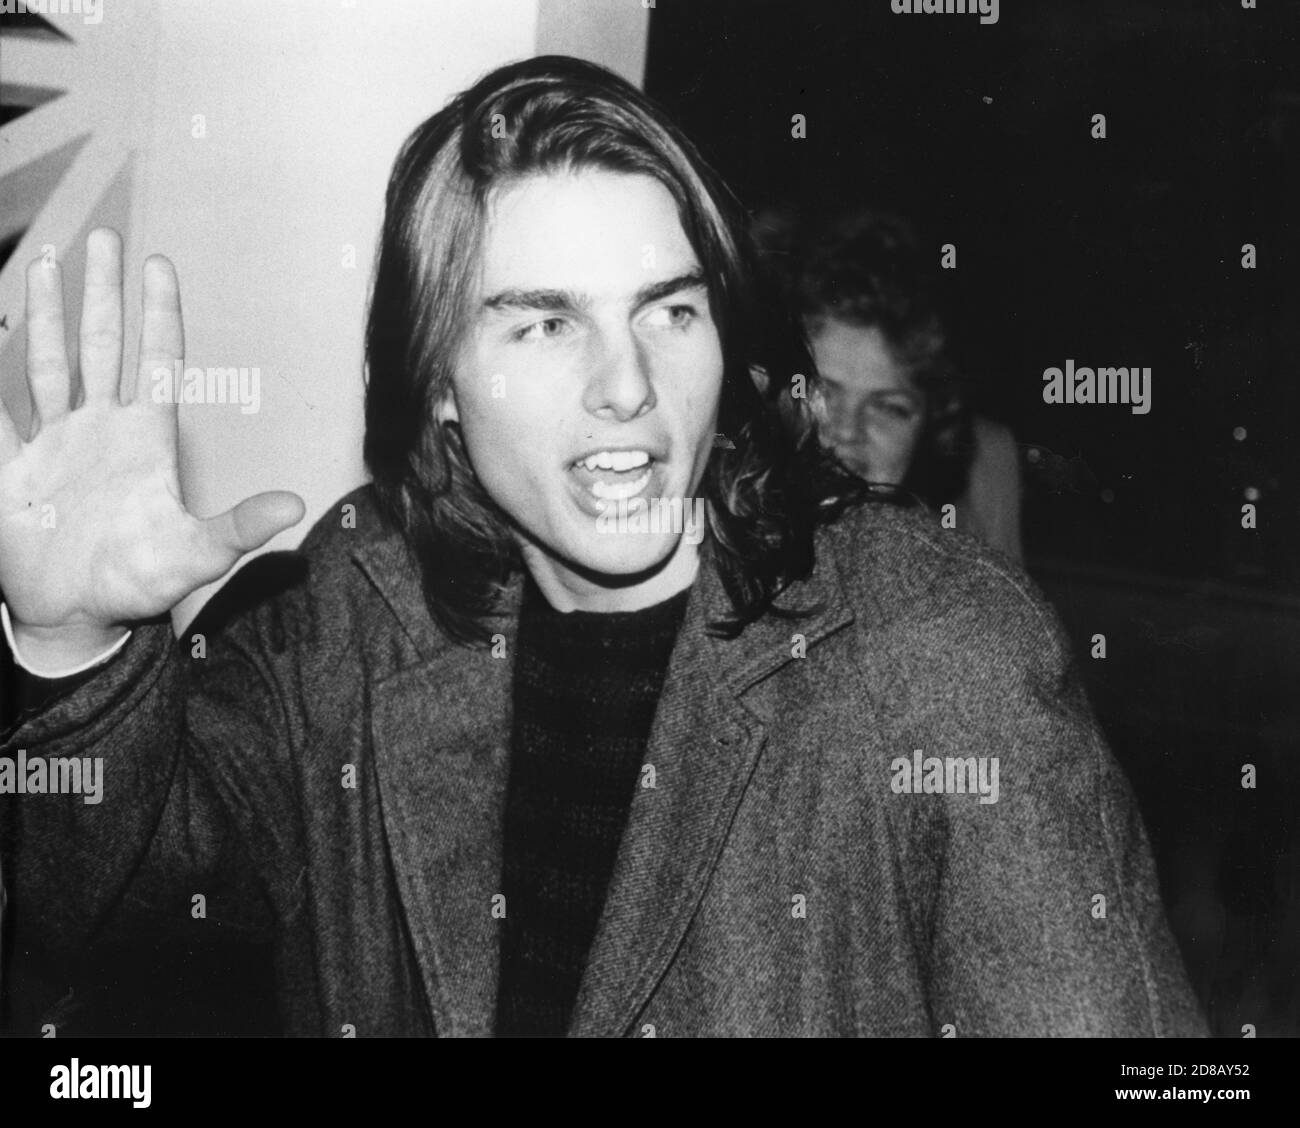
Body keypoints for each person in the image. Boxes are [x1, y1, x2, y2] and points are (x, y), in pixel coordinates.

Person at [0, 56, 1202, 1037]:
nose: (628, 385)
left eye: (669, 312)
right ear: (438, 386)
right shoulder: (358, 605)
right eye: (543, 324)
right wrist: (72, 641)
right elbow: (102, 910)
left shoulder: (938, 651)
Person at [755, 207, 1025, 562]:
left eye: (888, 407)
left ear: (931, 425)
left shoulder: (954, 572)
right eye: (821, 392)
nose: (848, 432)